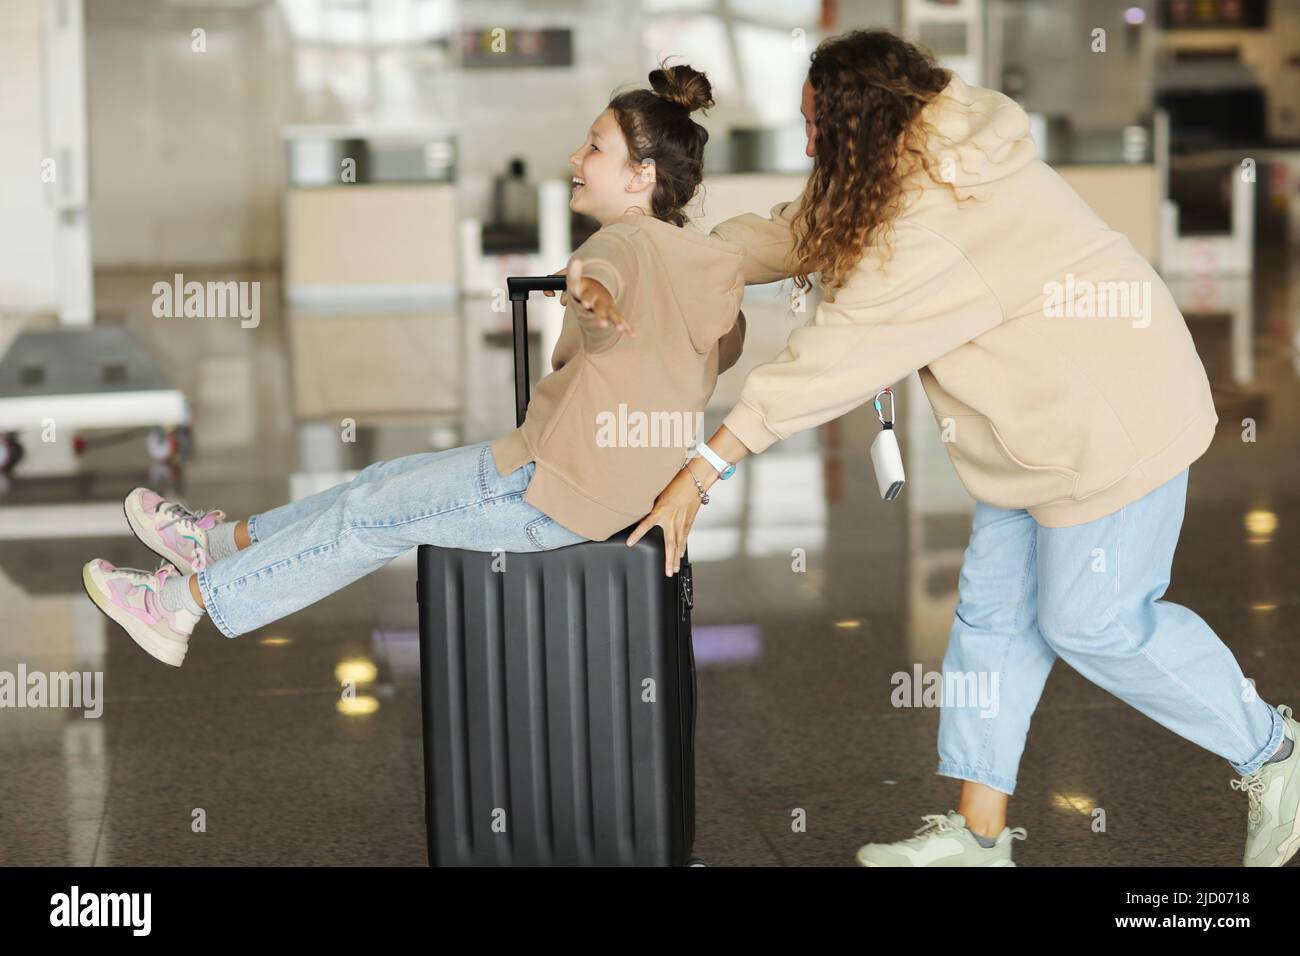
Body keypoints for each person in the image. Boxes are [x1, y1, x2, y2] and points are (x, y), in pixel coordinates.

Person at [628, 29, 1299, 867]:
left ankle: (1275, 754)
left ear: (864, 124)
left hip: (1111, 425)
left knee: (1095, 624)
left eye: (816, 125)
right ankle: (978, 838)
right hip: (1028, 434)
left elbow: (829, 360)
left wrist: (704, 466)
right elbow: (801, 229)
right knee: (992, 619)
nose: (806, 142)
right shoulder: (917, 155)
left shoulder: (939, 218)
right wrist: (680, 259)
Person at [82, 63, 748, 669]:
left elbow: (605, 269)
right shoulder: (700, 263)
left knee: (372, 516)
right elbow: (723, 343)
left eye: (595, 147)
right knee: (380, 481)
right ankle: (220, 542)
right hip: (586, 477)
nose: (576, 158)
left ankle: (181, 605)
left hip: (556, 490)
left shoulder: (622, 242)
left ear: (642, 176)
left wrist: (592, 293)